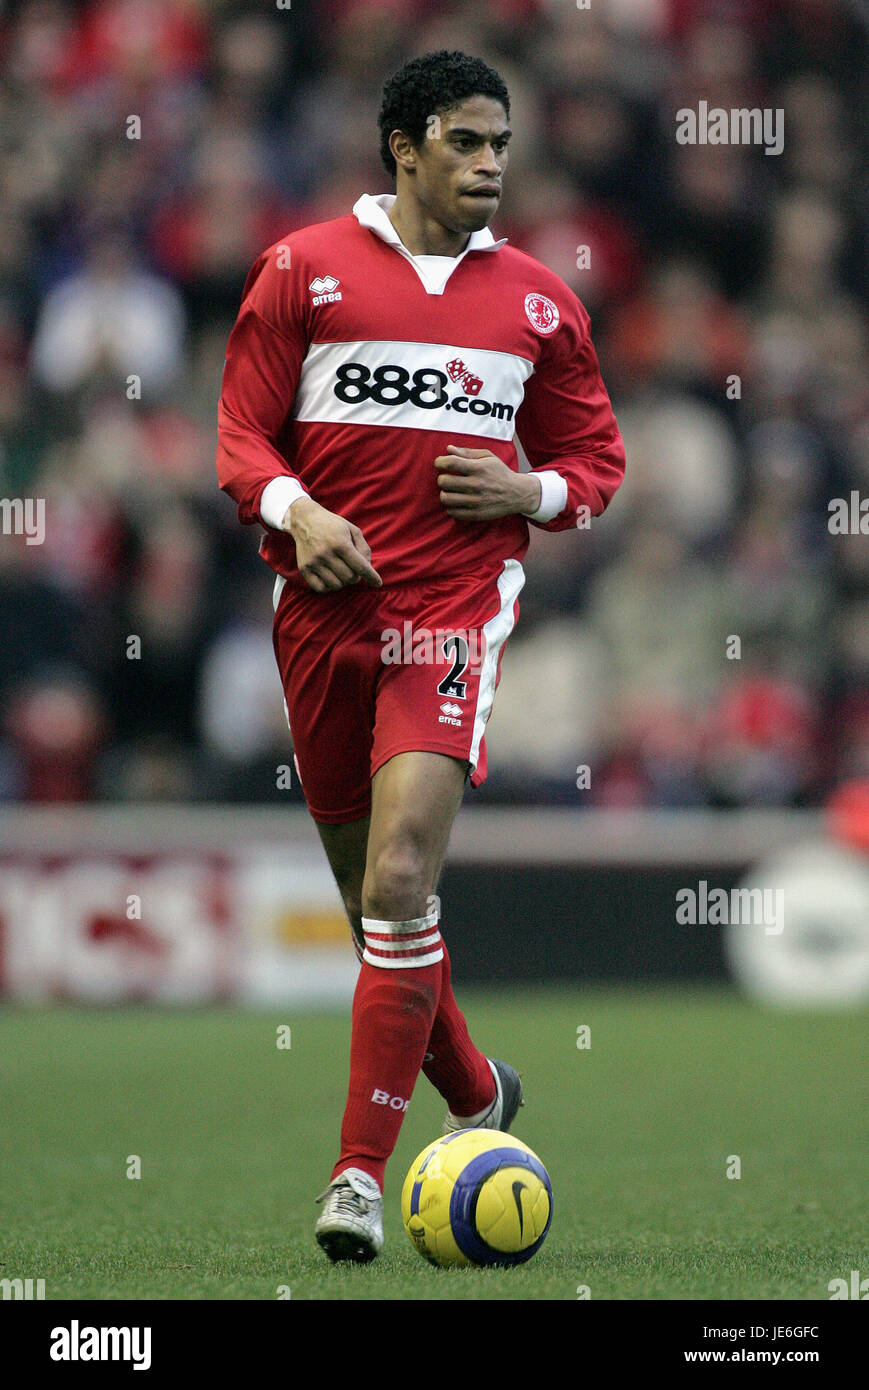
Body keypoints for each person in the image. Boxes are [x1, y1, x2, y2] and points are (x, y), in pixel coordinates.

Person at [216, 49, 625, 1262]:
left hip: (448, 613)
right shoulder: (301, 269)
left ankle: (353, 1178)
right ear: (404, 146)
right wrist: (300, 514)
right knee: (370, 909)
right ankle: (475, 1090)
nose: (490, 164)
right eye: (466, 142)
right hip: (319, 618)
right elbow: (240, 435)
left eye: (500, 145)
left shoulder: (540, 304)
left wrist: (525, 486)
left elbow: (597, 468)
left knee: (400, 879)